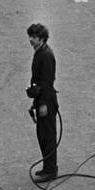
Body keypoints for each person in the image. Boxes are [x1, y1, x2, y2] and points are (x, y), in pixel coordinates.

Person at [26, 22, 59, 181]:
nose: (31, 40)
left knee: (48, 136)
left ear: (42, 38)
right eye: (30, 37)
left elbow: (47, 81)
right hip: (41, 100)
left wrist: (44, 103)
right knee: (42, 135)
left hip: (47, 101)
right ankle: (47, 167)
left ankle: (51, 170)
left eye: (34, 37)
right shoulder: (39, 52)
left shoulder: (45, 55)